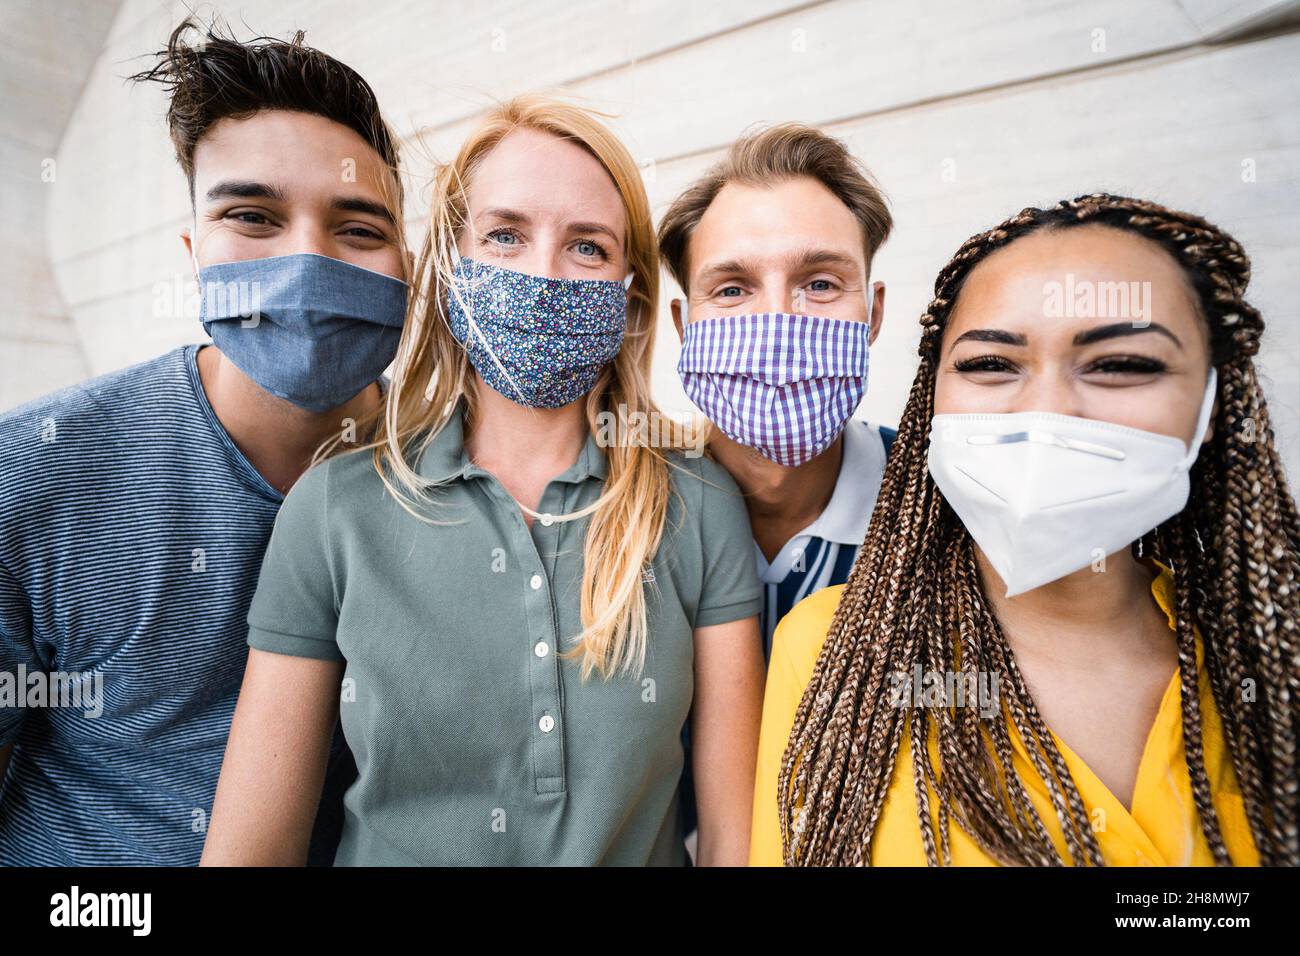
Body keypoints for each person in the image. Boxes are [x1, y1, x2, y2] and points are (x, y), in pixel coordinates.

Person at [200, 96, 766, 867]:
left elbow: (738, 844)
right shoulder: (333, 509)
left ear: (628, 291)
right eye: (504, 236)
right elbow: (251, 851)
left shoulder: (698, 505)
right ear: (451, 267)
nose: (543, 272)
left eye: (588, 247)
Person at [751, 193, 1299, 866]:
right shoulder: (828, 649)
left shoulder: (1275, 660)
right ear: (934, 401)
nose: (1049, 411)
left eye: (1122, 364)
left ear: (1212, 406)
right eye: (990, 365)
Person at [0, 18, 407, 865]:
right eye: (253, 216)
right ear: (196, 253)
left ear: (409, 263)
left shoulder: (454, 476)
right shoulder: (36, 468)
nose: (306, 261)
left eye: (358, 230)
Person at [658, 123, 896, 658]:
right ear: (684, 326)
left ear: (873, 314)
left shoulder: (945, 502)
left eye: (820, 284)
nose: (777, 325)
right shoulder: (629, 512)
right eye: (732, 289)